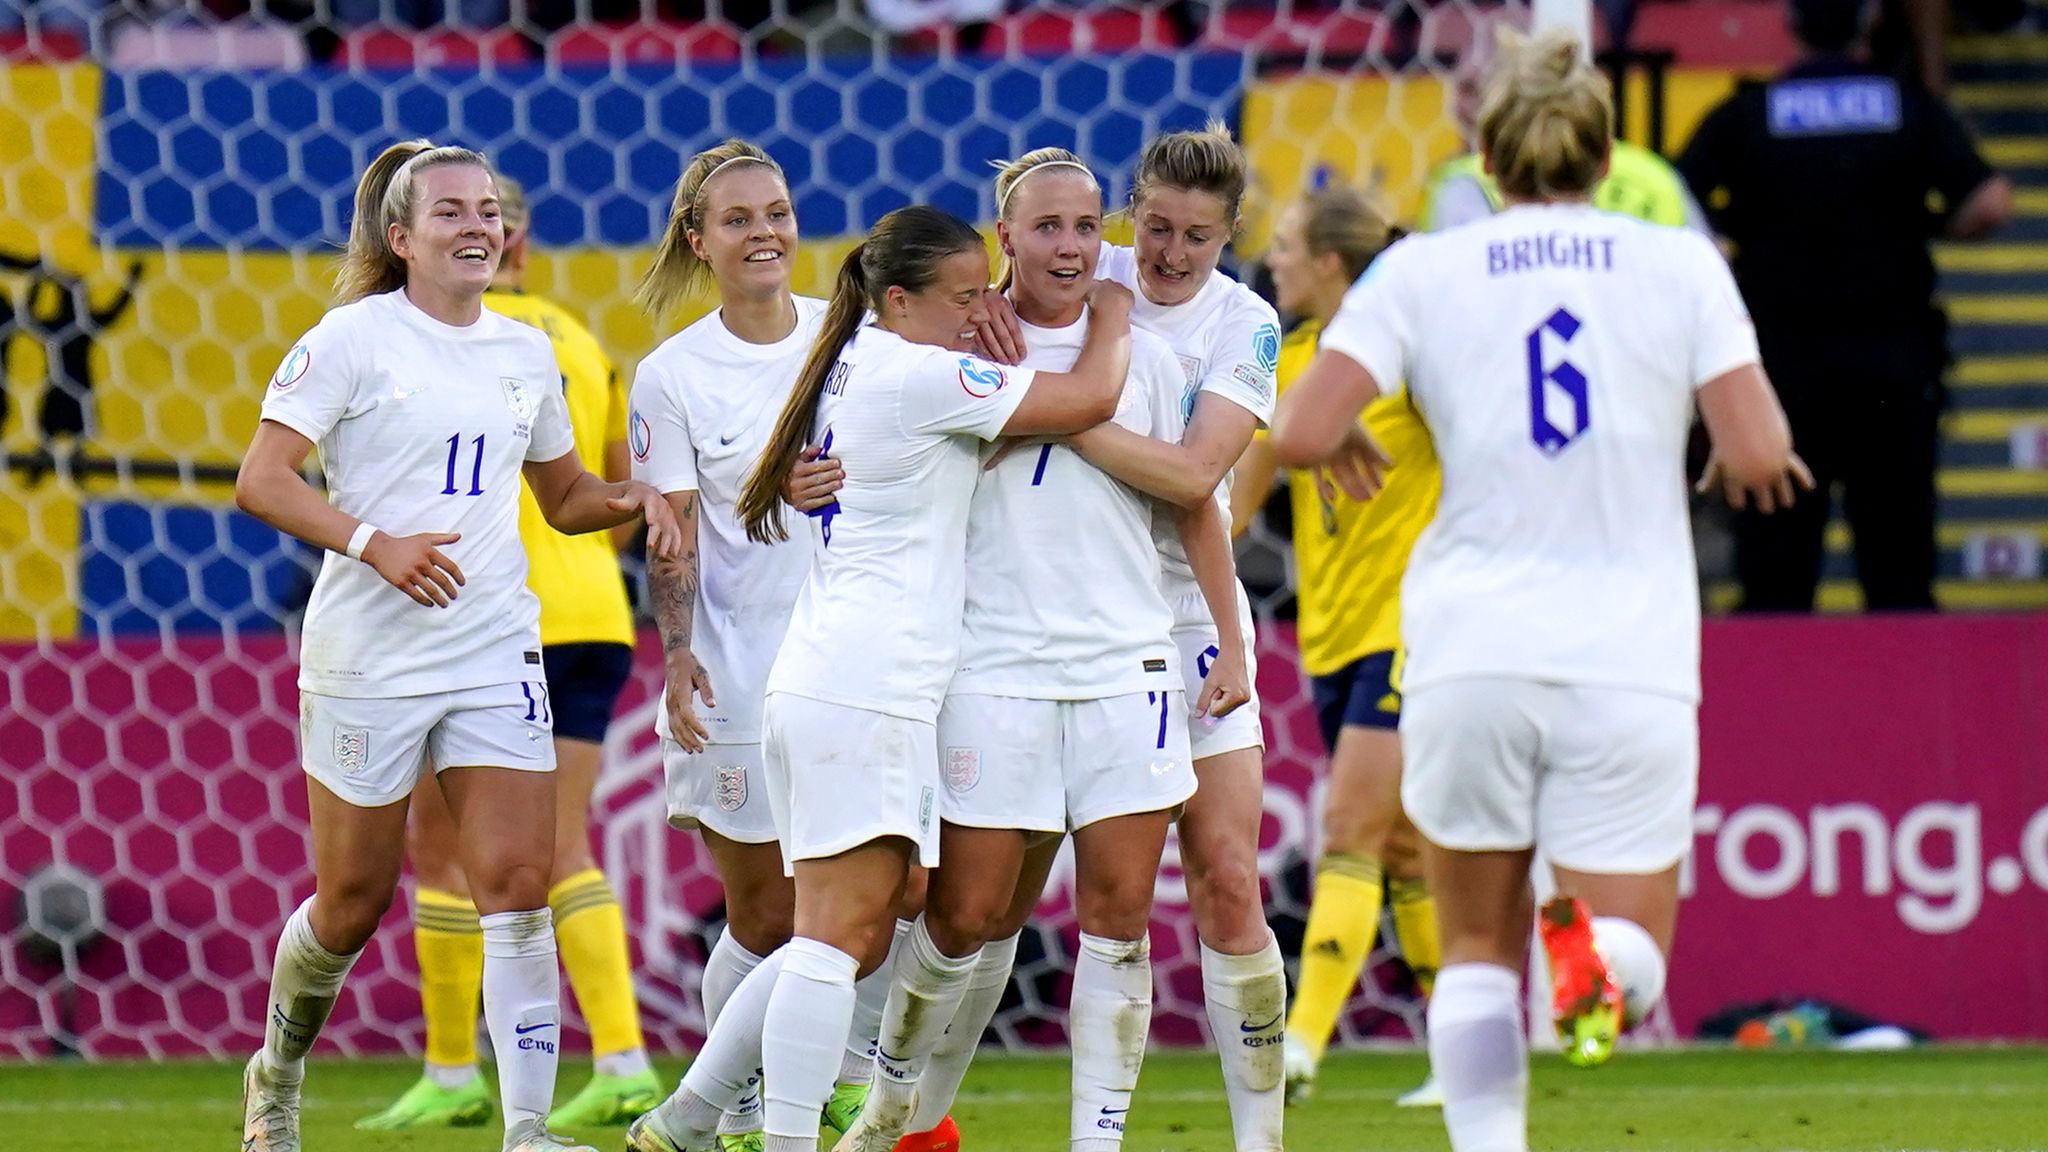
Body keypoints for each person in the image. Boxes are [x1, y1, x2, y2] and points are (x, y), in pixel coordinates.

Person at [1271, 29, 1811, 1152]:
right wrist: (1717, 450)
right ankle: (1591, 963)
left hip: (1467, 649)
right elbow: (1760, 451)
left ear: (1482, 151)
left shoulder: (1420, 266)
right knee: (1634, 969)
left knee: (1472, 946)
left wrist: (1334, 451)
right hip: (1627, 651)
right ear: (1602, 148)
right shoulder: (1676, 263)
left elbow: (1300, 428)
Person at [628, 204, 1134, 1152]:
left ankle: (690, 1116)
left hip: (842, 677)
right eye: (964, 296)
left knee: (865, 919)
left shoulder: (858, 356)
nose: (984, 310)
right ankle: (767, 1137)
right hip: (862, 685)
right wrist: (1110, 312)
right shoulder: (911, 372)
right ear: (899, 300)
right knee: (828, 939)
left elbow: (983, 442)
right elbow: (1087, 401)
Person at [232, 138, 682, 1152]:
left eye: (488, 210)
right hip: (369, 659)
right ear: (400, 238)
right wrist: (371, 543)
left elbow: (564, 499)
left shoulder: (525, 349)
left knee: (516, 882)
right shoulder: (348, 340)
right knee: (351, 905)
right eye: (451, 212)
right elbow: (261, 479)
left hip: (493, 649)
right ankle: (277, 1070)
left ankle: (526, 1131)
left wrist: (639, 498)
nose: (478, 224)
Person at [833, 149, 1252, 1152]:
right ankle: (891, 1097)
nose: (1069, 246)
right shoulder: (951, 361)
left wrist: (1229, 642)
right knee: (964, 911)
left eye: (1083, 226)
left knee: (1116, 918)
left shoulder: (1146, 361)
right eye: (1048, 227)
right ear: (1004, 236)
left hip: (1125, 670)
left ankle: (1094, 1141)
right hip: (994, 668)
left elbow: (1193, 501)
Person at [988, 123, 1290, 1152]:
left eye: (1194, 238)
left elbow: (1197, 478)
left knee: (1228, 876)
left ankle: (1259, 1135)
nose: (1166, 254)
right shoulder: (1086, 274)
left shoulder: (1245, 324)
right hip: (1069, 620)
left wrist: (1053, 413)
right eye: (1153, 227)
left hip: (1191, 616)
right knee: (1062, 896)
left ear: (1229, 235)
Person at [629, 139, 928, 1150]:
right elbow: (669, 536)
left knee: (879, 900)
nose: (765, 233)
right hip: (742, 677)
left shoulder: (848, 343)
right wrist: (676, 655)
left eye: (777, 213)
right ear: (698, 240)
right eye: (740, 219)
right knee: (766, 923)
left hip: (859, 667)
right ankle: (742, 1108)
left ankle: (769, 1096)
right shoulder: (672, 378)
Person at [352, 173, 657, 1134]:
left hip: (483, 619)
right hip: (595, 614)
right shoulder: (573, 337)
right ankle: (615, 1054)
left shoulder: (425, 344)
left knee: (446, 855)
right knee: (563, 846)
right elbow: (607, 486)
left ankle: (456, 1071)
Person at [1678, 0, 2012, 613]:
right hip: (1893, 373)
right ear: (1867, 23)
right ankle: (1910, 705)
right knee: (1900, 575)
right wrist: (1931, 226)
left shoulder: (1747, 113)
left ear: (1792, 27)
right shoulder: (1908, 108)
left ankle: (1777, 704)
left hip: (1779, 379)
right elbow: (1990, 201)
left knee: (1775, 580)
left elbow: (1677, 207)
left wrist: (1736, 235)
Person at [1227, 185, 1443, 1109]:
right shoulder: (1291, 362)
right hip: (1333, 634)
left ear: (1329, 262)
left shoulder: (1416, 355)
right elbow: (1235, 502)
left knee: (1348, 828)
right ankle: (1465, 1048)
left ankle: (1300, 1047)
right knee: (1399, 853)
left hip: (1417, 626)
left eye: (1285, 247)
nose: (1271, 261)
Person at [1420, 8, 1708, 234]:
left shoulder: (1463, 186)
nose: (1458, 108)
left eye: (1472, 90)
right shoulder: (1656, 179)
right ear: (1605, 160)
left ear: (1488, 156)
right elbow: (1714, 278)